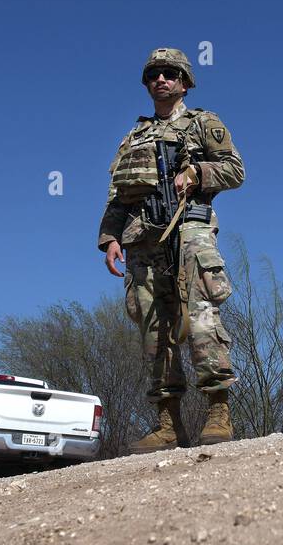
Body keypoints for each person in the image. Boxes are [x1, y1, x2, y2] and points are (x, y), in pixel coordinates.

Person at [98, 48, 244, 450]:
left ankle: (218, 412)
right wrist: (109, 237)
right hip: (141, 239)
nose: (161, 80)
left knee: (200, 319)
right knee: (153, 329)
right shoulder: (134, 136)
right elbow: (118, 195)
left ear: (184, 82)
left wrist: (197, 172)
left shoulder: (203, 123)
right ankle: (167, 423)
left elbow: (236, 170)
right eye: (153, 75)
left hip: (190, 229)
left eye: (169, 73)